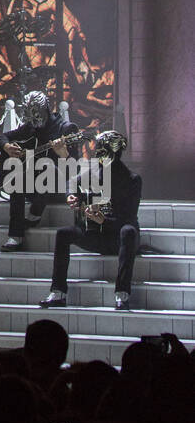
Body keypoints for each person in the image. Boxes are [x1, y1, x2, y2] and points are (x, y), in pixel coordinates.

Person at [39, 131, 140, 311]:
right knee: (63, 233)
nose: (98, 155)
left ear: (114, 152)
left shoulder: (132, 180)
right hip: (96, 236)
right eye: (98, 151)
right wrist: (70, 196)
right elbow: (72, 183)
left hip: (120, 239)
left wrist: (104, 221)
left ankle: (122, 294)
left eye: (102, 151)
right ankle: (58, 292)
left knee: (129, 231)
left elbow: (129, 217)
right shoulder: (92, 173)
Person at [0, 90, 79, 251]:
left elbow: (74, 169)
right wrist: (7, 147)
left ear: (46, 110)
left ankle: (35, 214)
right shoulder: (32, 128)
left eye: (35, 114)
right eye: (29, 115)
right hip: (36, 188)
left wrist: (63, 153)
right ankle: (15, 236)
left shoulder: (66, 129)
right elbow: (3, 137)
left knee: (48, 167)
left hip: (58, 188)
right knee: (19, 179)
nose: (32, 120)